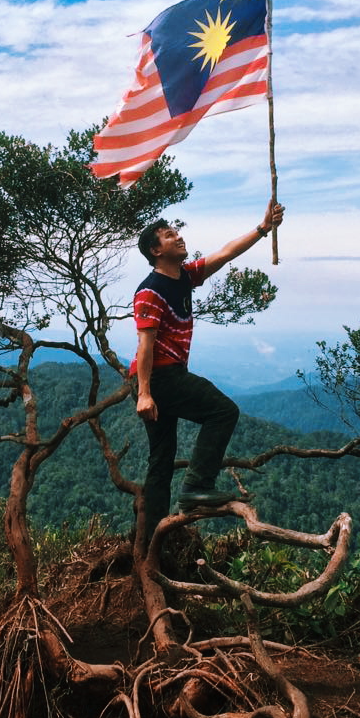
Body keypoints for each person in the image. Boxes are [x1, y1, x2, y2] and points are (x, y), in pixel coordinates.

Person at [132, 201, 286, 531]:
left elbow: (226, 253)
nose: (178, 237)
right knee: (223, 411)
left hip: (167, 377)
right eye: (169, 235)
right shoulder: (150, 291)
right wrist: (144, 394)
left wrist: (263, 228)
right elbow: (144, 347)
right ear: (156, 250)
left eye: (176, 232)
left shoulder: (185, 277)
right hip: (160, 377)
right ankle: (196, 487)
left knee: (160, 461)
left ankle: (150, 537)